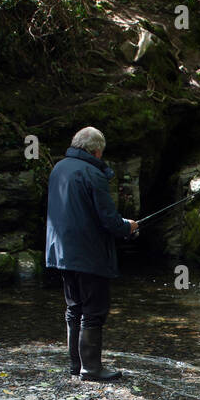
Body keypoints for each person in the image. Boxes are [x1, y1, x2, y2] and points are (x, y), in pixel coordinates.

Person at [45, 126, 138, 381]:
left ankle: (76, 365)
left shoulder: (58, 168)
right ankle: (91, 368)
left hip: (61, 252)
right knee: (94, 310)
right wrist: (127, 227)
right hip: (88, 254)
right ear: (97, 151)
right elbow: (108, 219)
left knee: (74, 307)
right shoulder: (93, 174)